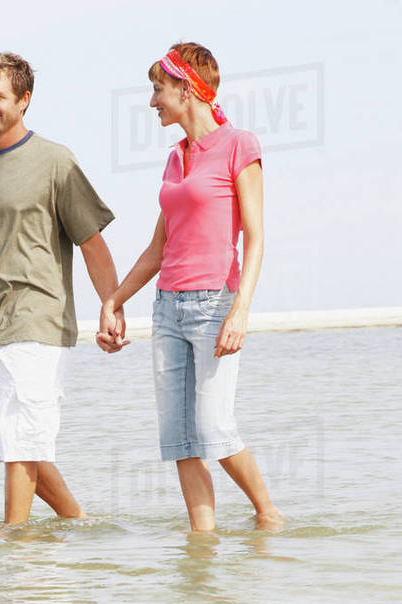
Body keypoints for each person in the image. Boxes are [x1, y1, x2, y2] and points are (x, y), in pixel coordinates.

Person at [97, 42, 284, 531]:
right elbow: (158, 249)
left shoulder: (240, 145)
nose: (153, 101)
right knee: (180, 439)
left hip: (213, 305)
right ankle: (202, 544)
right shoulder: (175, 158)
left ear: (186, 88)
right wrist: (114, 300)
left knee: (214, 430)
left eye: (158, 90)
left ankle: (268, 515)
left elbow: (257, 236)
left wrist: (240, 311)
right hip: (167, 309)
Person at [0, 52, 124, 525]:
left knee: (22, 443)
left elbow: (91, 242)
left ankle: (12, 544)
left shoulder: (55, 162)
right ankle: (79, 522)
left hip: (41, 321)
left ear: (24, 100)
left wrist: (112, 305)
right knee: (17, 444)